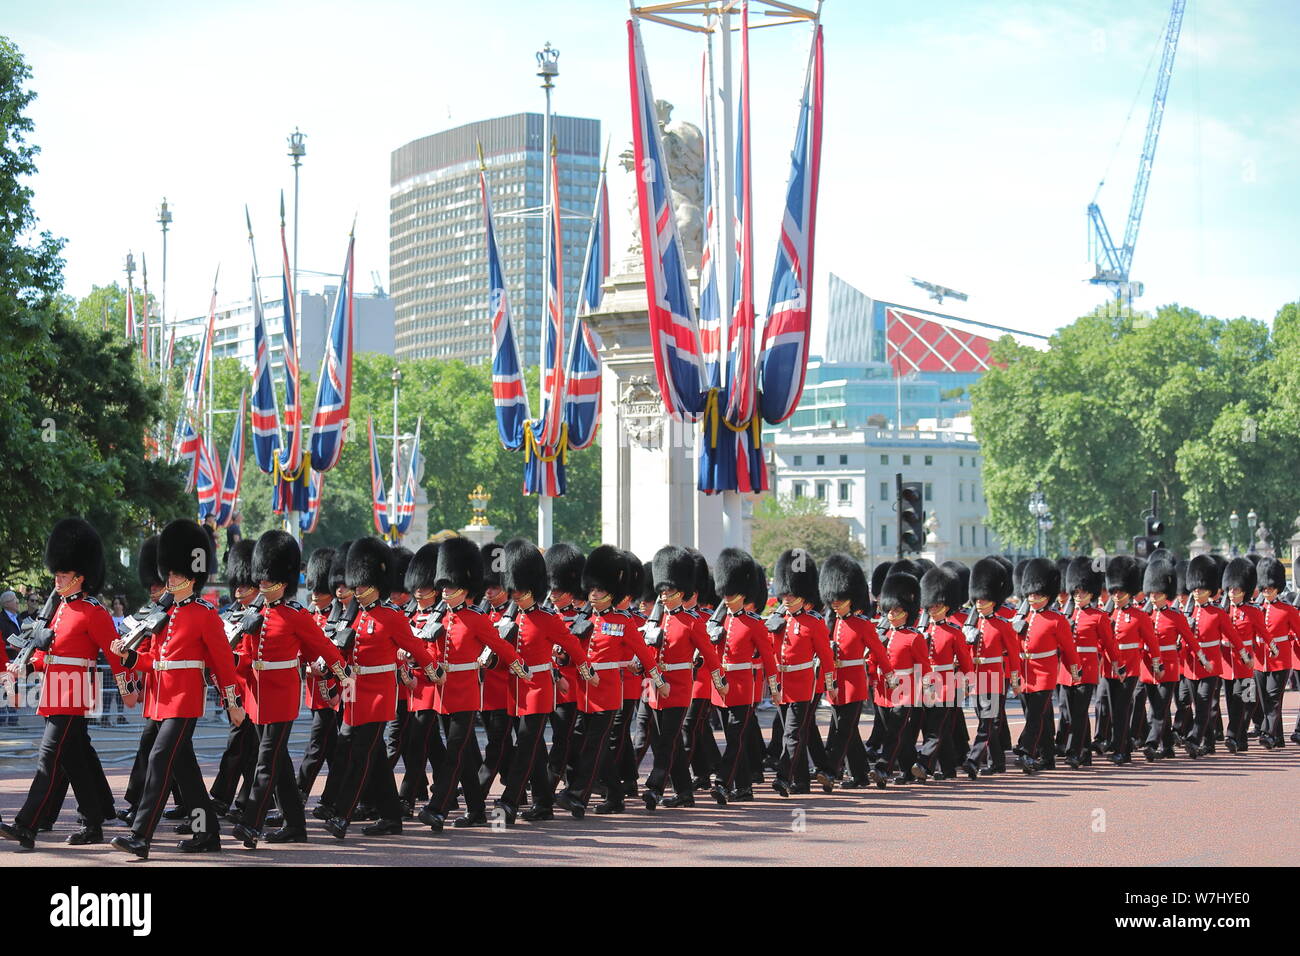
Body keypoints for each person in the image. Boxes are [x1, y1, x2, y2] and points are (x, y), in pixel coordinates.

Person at [108, 518, 244, 860]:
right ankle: (207, 832)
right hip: (160, 699)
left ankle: (141, 835)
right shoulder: (163, 615)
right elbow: (153, 660)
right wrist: (127, 658)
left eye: (174, 574)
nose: (169, 579)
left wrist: (233, 702)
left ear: (190, 576)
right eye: (167, 574)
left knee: (158, 758)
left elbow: (223, 664)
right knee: (186, 771)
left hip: (184, 700)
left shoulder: (205, 614)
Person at [0, 519, 134, 851]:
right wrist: (26, 667)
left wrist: (128, 689)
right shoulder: (60, 610)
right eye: (57, 574)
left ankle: (26, 825)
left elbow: (115, 654)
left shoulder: (93, 612)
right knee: (73, 760)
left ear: (80, 576)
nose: (57, 579)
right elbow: (53, 657)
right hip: (54, 691)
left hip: (75, 694)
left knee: (48, 756)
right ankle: (93, 821)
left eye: (63, 575)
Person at [230, 531, 350, 848]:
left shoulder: (296, 615)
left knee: (265, 764)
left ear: (282, 582)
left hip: (281, 698)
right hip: (257, 697)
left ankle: (251, 824)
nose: (263, 584)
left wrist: (342, 675)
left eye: (269, 579)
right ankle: (296, 825)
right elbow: (244, 656)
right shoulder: (255, 613)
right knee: (279, 765)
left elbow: (324, 646)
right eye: (263, 578)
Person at [323, 538, 441, 839]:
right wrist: (330, 676)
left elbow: (415, 646)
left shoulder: (390, 617)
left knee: (360, 756)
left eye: (361, 585)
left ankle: (343, 815)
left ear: (374, 584)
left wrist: (432, 670)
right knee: (369, 757)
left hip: (378, 695)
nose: (356, 590)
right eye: (356, 586)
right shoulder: (355, 614)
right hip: (354, 693)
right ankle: (391, 817)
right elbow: (345, 652)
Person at [413, 538, 526, 832]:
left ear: (464, 588)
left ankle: (436, 808)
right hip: (442, 695)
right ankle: (476, 810)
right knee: (464, 758)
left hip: (465, 696)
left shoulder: (475, 619)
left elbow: (499, 646)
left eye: (450, 588)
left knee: (453, 754)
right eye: (444, 587)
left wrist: (518, 665)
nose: (445, 592)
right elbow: (432, 651)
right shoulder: (442, 617)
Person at [495, 539, 599, 825]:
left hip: (539, 690)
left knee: (525, 748)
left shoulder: (546, 618)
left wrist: (585, 669)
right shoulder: (512, 617)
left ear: (530, 589)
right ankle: (543, 803)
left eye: (518, 590)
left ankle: (508, 802)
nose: (514, 595)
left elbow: (572, 646)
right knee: (535, 751)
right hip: (516, 690)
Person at [553, 546, 654, 818]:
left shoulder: (622, 621)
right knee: (584, 742)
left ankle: (577, 795)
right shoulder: (586, 620)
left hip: (608, 692)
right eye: (592, 590)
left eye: (599, 591)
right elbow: (573, 652)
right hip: (584, 691)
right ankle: (615, 795)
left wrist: (656, 677)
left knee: (594, 745)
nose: (594, 595)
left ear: (612, 593)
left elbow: (644, 653)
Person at [642, 545, 725, 810]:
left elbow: (711, 657)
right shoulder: (658, 621)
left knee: (667, 740)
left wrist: (719, 681)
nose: (664, 597)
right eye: (662, 592)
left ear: (682, 593)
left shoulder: (692, 622)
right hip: (656, 687)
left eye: (669, 592)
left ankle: (654, 787)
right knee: (668, 742)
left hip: (678, 688)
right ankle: (684, 792)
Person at [704, 549, 779, 805]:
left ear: (742, 594)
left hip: (742, 688)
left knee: (735, 740)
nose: (727, 599)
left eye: (731, 595)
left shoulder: (754, 623)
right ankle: (744, 787)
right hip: (720, 688)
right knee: (734, 739)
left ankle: (723, 782)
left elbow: (768, 658)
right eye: (724, 594)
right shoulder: (718, 621)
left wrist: (774, 686)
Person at [768, 548, 835, 797]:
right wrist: (772, 686)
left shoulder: (814, 622)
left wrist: (830, 685)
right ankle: (802, 781)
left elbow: (827, 657)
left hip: (803, 684)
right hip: (782, 685)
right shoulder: (776, 620)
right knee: (796, 734)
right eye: (784, 592)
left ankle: (783, 777)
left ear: (802, 595)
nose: (786, 597)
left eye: (791, 593)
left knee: (792, 733)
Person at [817, 553, 886, 788]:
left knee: (842, 730)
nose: (835, 601)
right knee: (849, 731)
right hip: (835, 683)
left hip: (855, 683)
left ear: (851, 597)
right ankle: (860, 775)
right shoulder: (829, 623)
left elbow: (879, 652)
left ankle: (830, 770)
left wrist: (889, 675)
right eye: (833, 597)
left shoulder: (862, 624)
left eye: (841, 597)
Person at [1013, 558, 1082, 774]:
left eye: (1037, 594)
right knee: (1039, 717)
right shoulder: (1022, 617)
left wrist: (1074, 671)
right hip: (1025, 673)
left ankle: (1027, 752)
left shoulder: (1056, 619)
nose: (1032, 598)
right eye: (1030, 594)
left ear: (1047, 595)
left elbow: (1069, 650)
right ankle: (1047, 757)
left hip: (1044, 672)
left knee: (1034, 716)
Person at [208, 539, 259, 822]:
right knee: (244, 749)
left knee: (241, 749)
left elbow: (253, 658)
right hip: (235, 693)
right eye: (236, 584)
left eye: (244, 584)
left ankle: (227, 799)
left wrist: (233, 660)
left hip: (254, 692)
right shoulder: (229, 616)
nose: (238, 589)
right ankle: (244, 801)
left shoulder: (259, 617)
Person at [961, 558, 1022, 779]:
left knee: (987, 721)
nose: (979, 602)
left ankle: (973, 759)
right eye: (977, 598)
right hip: (977, 678)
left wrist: (1015, 681)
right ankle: (997, 763)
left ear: (993, 600)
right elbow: (967, 656)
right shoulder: (973, 624)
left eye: (983, 598)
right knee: (985, 720)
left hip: (995, 677)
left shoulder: (1002, 625)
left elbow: (1014, 655)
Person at [916, 566, 974, 780]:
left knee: (937, 729)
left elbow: (966, 662)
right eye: (931, 604)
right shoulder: (923, 631)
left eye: (937, 604)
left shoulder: (954, 633)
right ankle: (948, 769)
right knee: (941, 730)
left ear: (946, 606)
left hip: (948, 684)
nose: (932, 608)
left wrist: (968, 684)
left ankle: (924, 763)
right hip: (927, 684)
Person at [1182, 555, 1243, 758]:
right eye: (1195, 589)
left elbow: (1233, 637)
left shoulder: (1218, 613)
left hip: (1211, 665)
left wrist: (1244, 654)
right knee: (1199, 705)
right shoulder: (1187, 613)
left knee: (1204, 704)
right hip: (1191, 665)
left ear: (1209, 590)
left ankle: (1193, 739)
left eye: (1201, 589)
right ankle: (1208, 743)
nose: (1197, 592)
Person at [295, 547, 340, 804]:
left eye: (320, 590)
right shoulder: (309, 616)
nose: (314, 595)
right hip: (314, 691)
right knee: (332, 748)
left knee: (315, 746)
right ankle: (339, 793)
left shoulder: (339, 618)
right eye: (313, 589)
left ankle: (297, 794)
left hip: (332, 692)